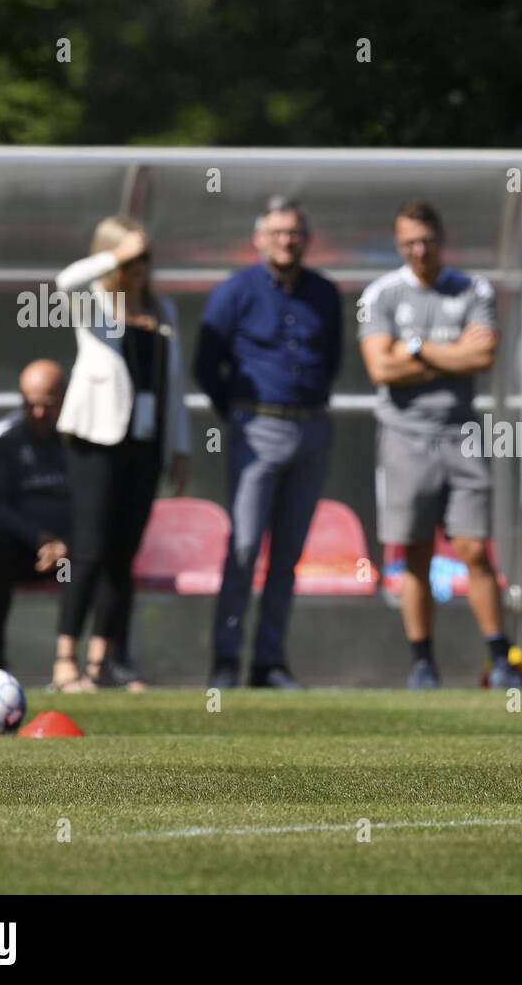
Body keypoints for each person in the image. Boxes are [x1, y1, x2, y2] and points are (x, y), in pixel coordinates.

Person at [359, 200, 518, 690]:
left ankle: (500, 659)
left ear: (441, 239)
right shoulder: (381, 294)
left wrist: (413, 348)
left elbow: (483, 354)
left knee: (473, 548)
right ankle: (423, 663)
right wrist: (451, 356)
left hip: (462, 434)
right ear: (398, 244)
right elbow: (380, 369)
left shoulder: (473, 288)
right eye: (409, 243)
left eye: (427, 241)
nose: (419, 250)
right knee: (416, 552)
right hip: (404, 437)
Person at [195, 196, 342, 689]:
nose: (287, 240)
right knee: (242, 547)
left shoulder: (323, 293)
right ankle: (225, 659)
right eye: (277, 232)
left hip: (312, 427)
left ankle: (268, 662)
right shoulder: (235, 291)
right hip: (256, 428)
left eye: (295, 233)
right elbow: (205, 364)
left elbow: (333, 358)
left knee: (288, 556)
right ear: (259, 239)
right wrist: (238, 415)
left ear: (306, 239)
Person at [53, 217, 190, 691]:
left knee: (122, 555)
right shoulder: (92, 302)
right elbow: (63, 280)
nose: (139, 268)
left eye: (145, 259)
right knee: (89, 550)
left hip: (145, 444)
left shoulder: (163, 310)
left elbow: (173, 384)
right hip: (96, 440)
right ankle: (65, 658)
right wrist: (114, 255)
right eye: (132, 259)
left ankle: (102, 660)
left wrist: (179, 447)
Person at [0, 359, 71, 670]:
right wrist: (40, 538)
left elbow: (99, 506)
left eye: (48, 404)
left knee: (104, 557)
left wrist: (66, 544)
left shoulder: (81, 440)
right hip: (26, 553)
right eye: (31, 404)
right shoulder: (4, 438)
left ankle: (96, 663)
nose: (39, 413)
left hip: (72, 557)